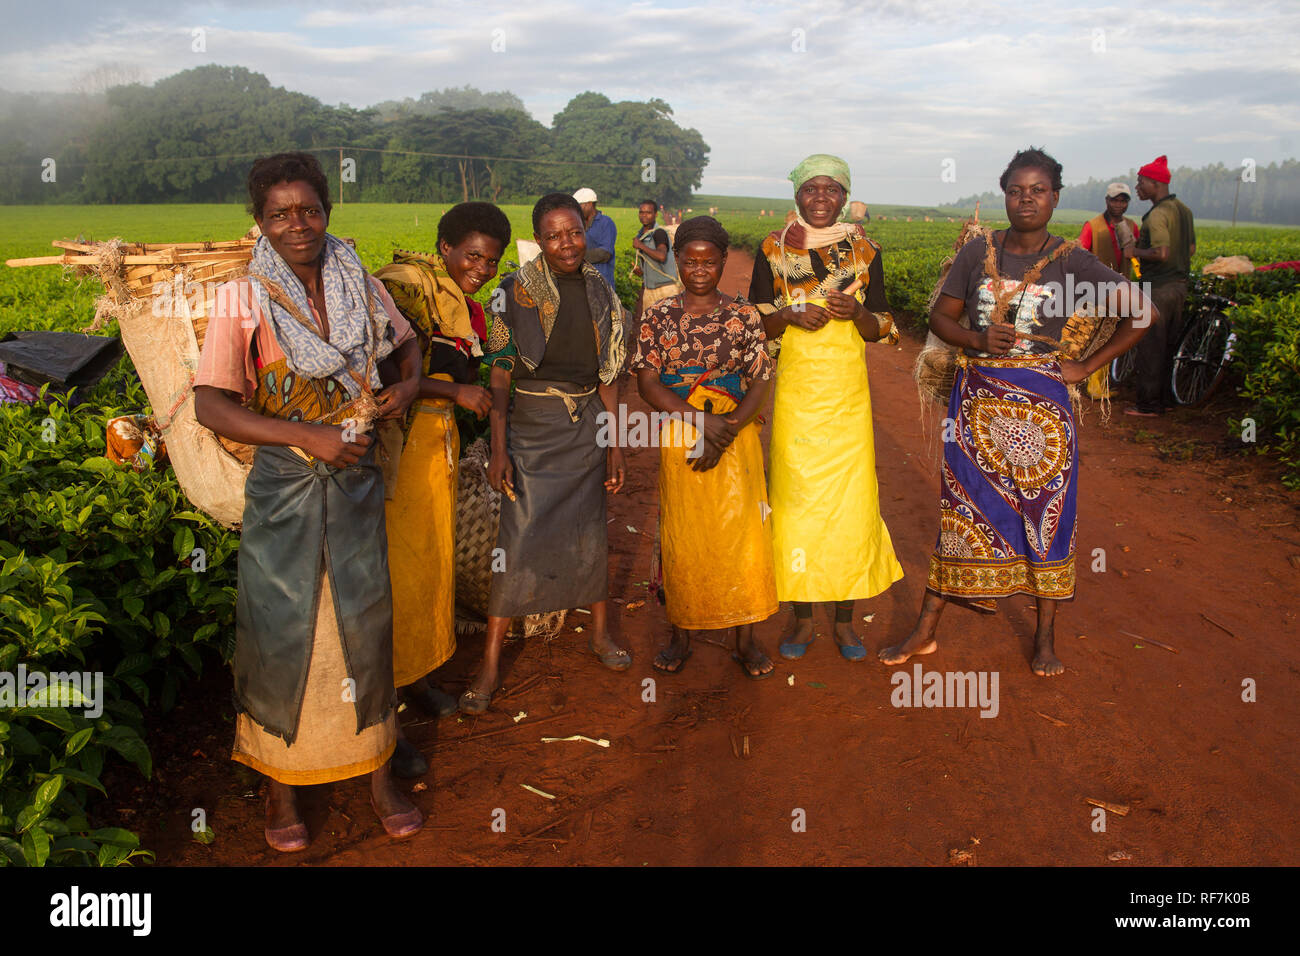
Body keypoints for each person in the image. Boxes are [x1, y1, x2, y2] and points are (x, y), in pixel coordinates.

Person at [193, 152, 425, 849]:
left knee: (364, 622)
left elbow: (410, 350)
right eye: (280, 214)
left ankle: (378, 771)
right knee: (282, 630)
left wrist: (407, 388)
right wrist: (307, 436)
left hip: (355, 485)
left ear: (328, 211)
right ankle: (280, 787)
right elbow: (211, 404)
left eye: (310, 210)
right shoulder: (244, 298)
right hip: (286, 491)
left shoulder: (359, 281)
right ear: (260, 221)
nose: (298, 225)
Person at [878, 147, 1156, 677]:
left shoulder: (1073, 261)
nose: (1026, 199)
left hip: (1043, 418)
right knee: (962, 509)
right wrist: (978, 338)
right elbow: (941, 317)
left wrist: (1082, 367)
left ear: (1055, 197)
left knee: (1045, 517)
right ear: (1005, 194)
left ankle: (1045, 637)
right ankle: (926, 630)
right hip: (976, 401)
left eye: (1038, 191)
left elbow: (1143, 312)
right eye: (1016, 190)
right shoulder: (977, 252)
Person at [461, 192, 630, 713]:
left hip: (587, 426)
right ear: (538, 239)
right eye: (554, 235)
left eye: (575, 232)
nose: (567, 244)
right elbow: (500, 371)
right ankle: (490, 662)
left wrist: (615, 444)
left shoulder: (604, 293)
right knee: (518, 537)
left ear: (586, 229)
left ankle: (600, 634)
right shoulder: (513, 292)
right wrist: (498, 445)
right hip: (531, 429)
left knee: (589, 528)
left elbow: (609, 376)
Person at [372, 201, 511, 777]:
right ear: (445, 246)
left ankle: (418, 676)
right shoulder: (403, 289)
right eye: (472, 254)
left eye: (492, 261)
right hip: (396, 450)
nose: (480, 267)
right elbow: (378, 375)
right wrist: (455, 394)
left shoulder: (464, 308)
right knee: (398, 574)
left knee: (431, 567)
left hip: (437, 450)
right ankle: (384, 715)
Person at [748, 153, 903, 662]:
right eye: (811, 189)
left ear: (845, 196)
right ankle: (800, 619)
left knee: (850, 508)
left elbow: (885, 327)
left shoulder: (865, 251)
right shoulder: (772, 249)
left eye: (831, 189)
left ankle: (844, 621)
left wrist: (858, 311)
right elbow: (751, 323)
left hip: (846, 400)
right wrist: (789, 314)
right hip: (796, 395)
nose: (820, 198)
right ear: (796, 194)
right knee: (794, 507)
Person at [631, 216, 777, 678]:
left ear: (723, 262)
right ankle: (682, 632)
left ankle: (745, 637)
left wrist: (728, 428)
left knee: (742, 534)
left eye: (709, 262)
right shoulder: (658, 315)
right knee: (686, 533)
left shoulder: (744, 315)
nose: (699, 270)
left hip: (737, 434)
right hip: (682, 431)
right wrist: (702, 421)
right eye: (690, 261)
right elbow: (648, 383)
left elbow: (760, 380)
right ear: (677, 261)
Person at [1123, 155, 1196, 417]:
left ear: (1155, 183)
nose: (1138, 187)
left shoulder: (1157, 215)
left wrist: (1135, 251)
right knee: (1170, 345)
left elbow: (1161, 252)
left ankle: (1148, 405)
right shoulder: (1184, 210)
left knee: (1151, 345)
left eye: (1141, 181)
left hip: (1157, 288)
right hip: (1179, 286)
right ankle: (1165, 401)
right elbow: (1191, 249)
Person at [1078, 183, 1141, 398]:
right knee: (1095, 336)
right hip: (1095, 291)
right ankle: (1093, 385)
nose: (1119, 204)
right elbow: (1079, 256)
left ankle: (1097, 383)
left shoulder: (1131, 227)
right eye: (1115, 200)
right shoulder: (1093, 226)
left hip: (1121, 290)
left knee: (1109, 336)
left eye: (1123, 200)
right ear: (1107, 200)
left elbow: (1135, 258)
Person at [631, 199, 682, 316]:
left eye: (648, 213)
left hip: (665, 289)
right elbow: (653, 263)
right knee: (650, 327)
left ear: (655, 215)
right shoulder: (642, 234)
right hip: (650, 289)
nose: (644, 216)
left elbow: (661, 256)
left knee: (668, 326)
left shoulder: (659, 233)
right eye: (641, 212)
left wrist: (640, 246)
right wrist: (640, 272)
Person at [574, 187, 617, 291]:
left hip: (601, 283)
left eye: (579, 206)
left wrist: (577, 257)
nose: (576, 210)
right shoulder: (577, 224)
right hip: (581, 281)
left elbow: (605, 253)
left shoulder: (606, 223)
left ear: (589, 204)